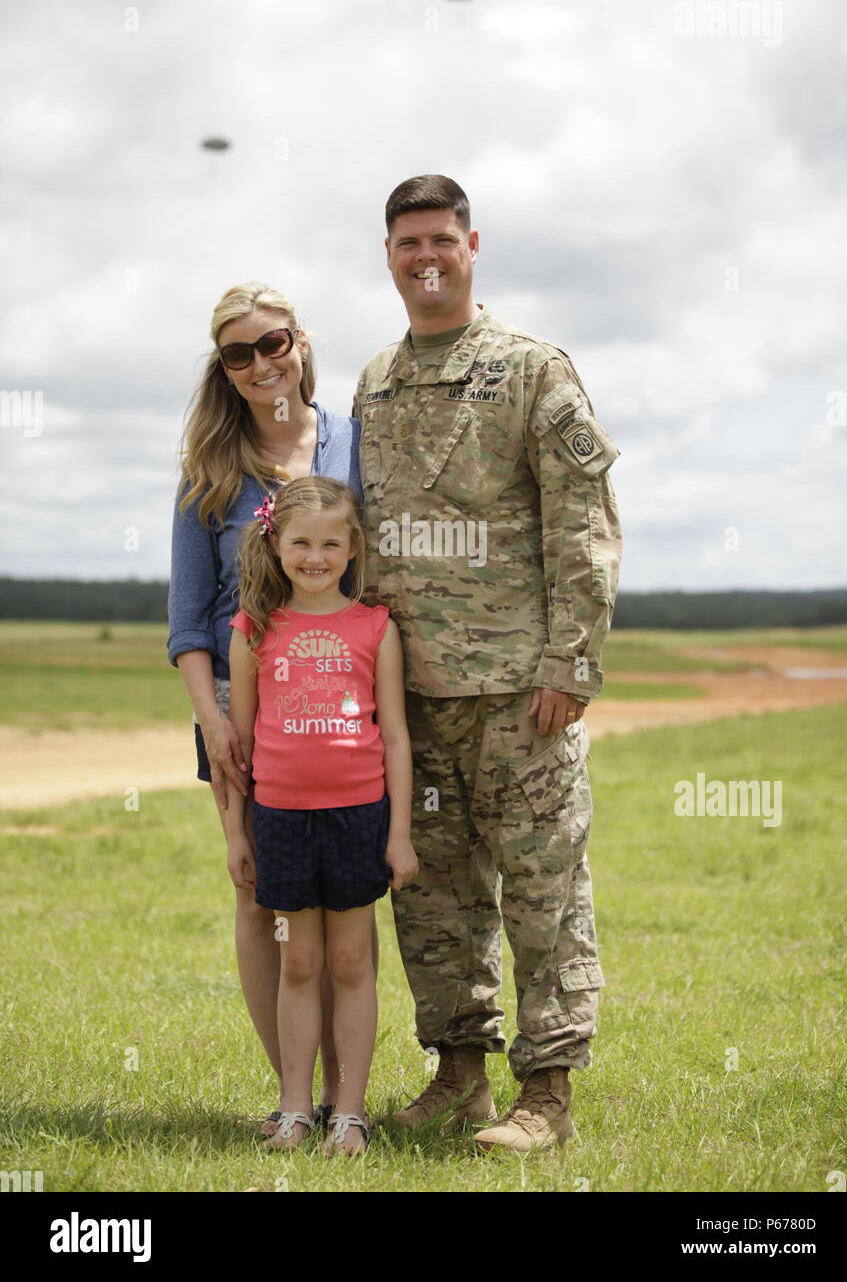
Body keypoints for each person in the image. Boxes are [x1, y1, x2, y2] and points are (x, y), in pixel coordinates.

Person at [352, 175, 623, 1153]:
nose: (423, 256)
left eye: (440, 238)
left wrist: (569, 664)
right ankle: (456, 1075)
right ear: (386, 255)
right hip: (410, 700)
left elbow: (582, 528)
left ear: (471, 245)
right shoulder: (374, 380)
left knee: (543, 888)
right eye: (404, 242)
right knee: (429, 893)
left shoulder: (529, 370)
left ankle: (543, 1094)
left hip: (522, 694)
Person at [166, 281, 373, 1137]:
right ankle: (299, 1097)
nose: (260, 364)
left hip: (339, 694)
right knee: (261, 896)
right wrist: (214, 723)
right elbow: (187, 617)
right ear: (223, 368)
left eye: (273, 344)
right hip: (238, 702)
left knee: (341, 905)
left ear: (299, 344)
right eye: (238, 353)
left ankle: (345, 1102)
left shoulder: (355, 442)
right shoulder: (208, 471)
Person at [225, 477, 416, 1155]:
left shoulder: (375, 626)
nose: (315, 556)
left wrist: (399, 837)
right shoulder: (252, 630)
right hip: (280, 819)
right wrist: (235, 834)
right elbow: (239, 748)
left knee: (350, 960)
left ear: (352, 546)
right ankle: (296, 1108)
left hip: (358, 817)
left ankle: (351, 1114)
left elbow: (394, 735)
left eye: (330, 543)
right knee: (299, 961)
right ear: (276, 544)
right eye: (301, 542)